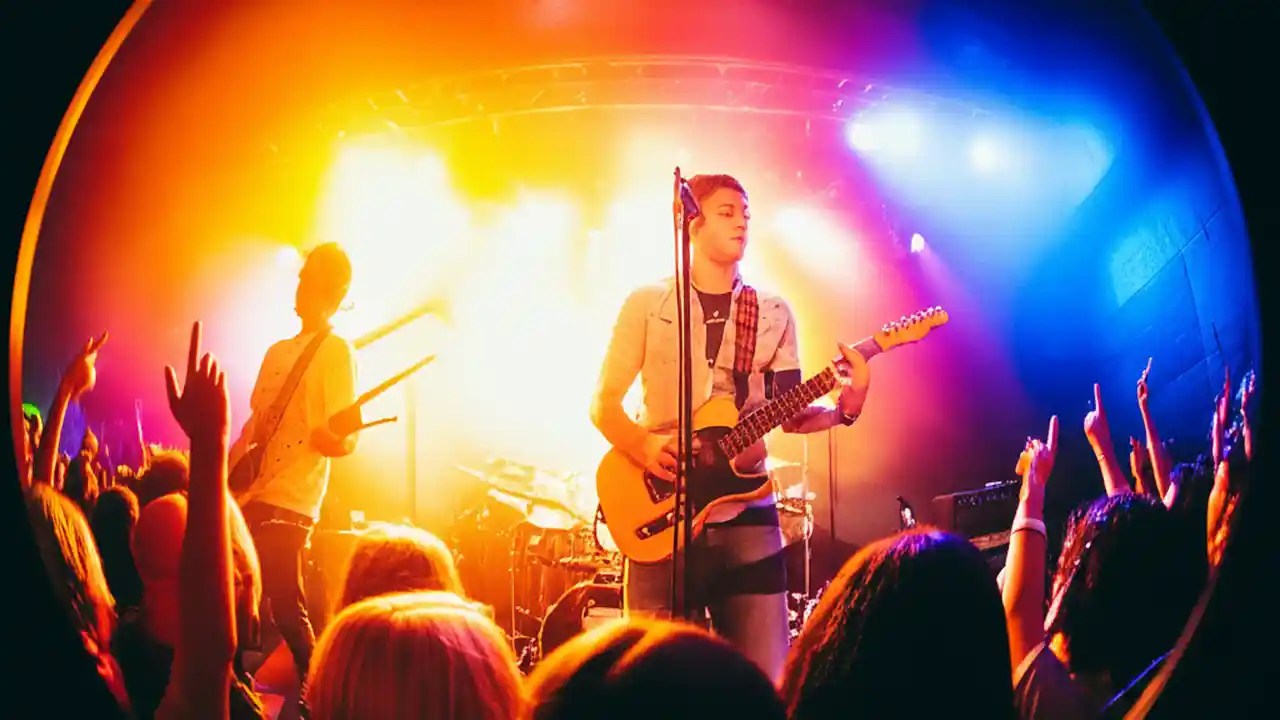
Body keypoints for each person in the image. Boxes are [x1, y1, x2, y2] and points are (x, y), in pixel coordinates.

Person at [589, 173, 871, 680]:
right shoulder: (647, 304)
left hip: (747, 513)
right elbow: (603, 405)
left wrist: (848, 402)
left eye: (746, 212)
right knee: (649, 682)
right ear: (690, 223)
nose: (741, 220)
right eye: (726, 212)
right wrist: (644, 447)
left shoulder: (772, 311)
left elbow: (791, 413)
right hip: (663, 507)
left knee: (765, 677)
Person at [229, 243, 359, 698]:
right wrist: (225, 470)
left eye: (308, 279)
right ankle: (242, 687)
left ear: (330, 290)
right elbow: (255, 425)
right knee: (238, 592)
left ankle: (323, 692)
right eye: (301, 277)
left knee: (283, 599)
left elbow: (345, 438)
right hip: (252, 492)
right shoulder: (276, 351)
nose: (299, 285)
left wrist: (334, 439)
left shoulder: (338, 351)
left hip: (293, 495)